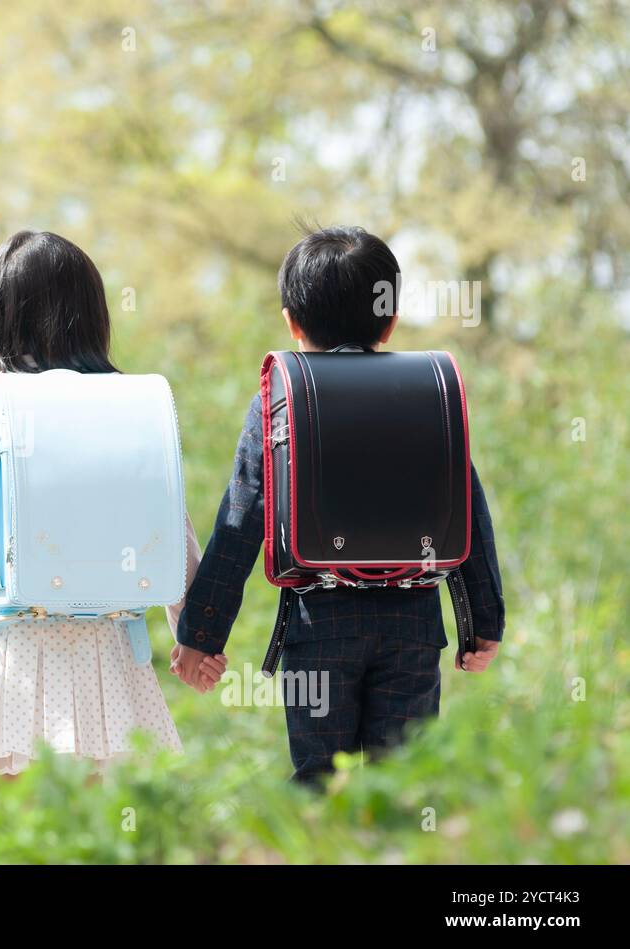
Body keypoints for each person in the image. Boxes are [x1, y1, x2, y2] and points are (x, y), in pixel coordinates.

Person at [171, 226, 505, 784]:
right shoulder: (427, 392)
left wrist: (200, 636)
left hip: (318, 627)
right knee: (400, 781)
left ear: (292, 322)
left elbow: (240, 521)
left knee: (320, 782)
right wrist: (483, 623)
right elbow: (466, 507)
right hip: (414, 626)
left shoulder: (282, 401)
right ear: (390, 319)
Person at [0, 230, 208, 794]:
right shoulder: (131, 406)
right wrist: (197, 634)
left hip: (4, 660)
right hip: (107, 663)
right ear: (92, 314)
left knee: (5, 839)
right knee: (97, 841)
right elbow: (165, 526)